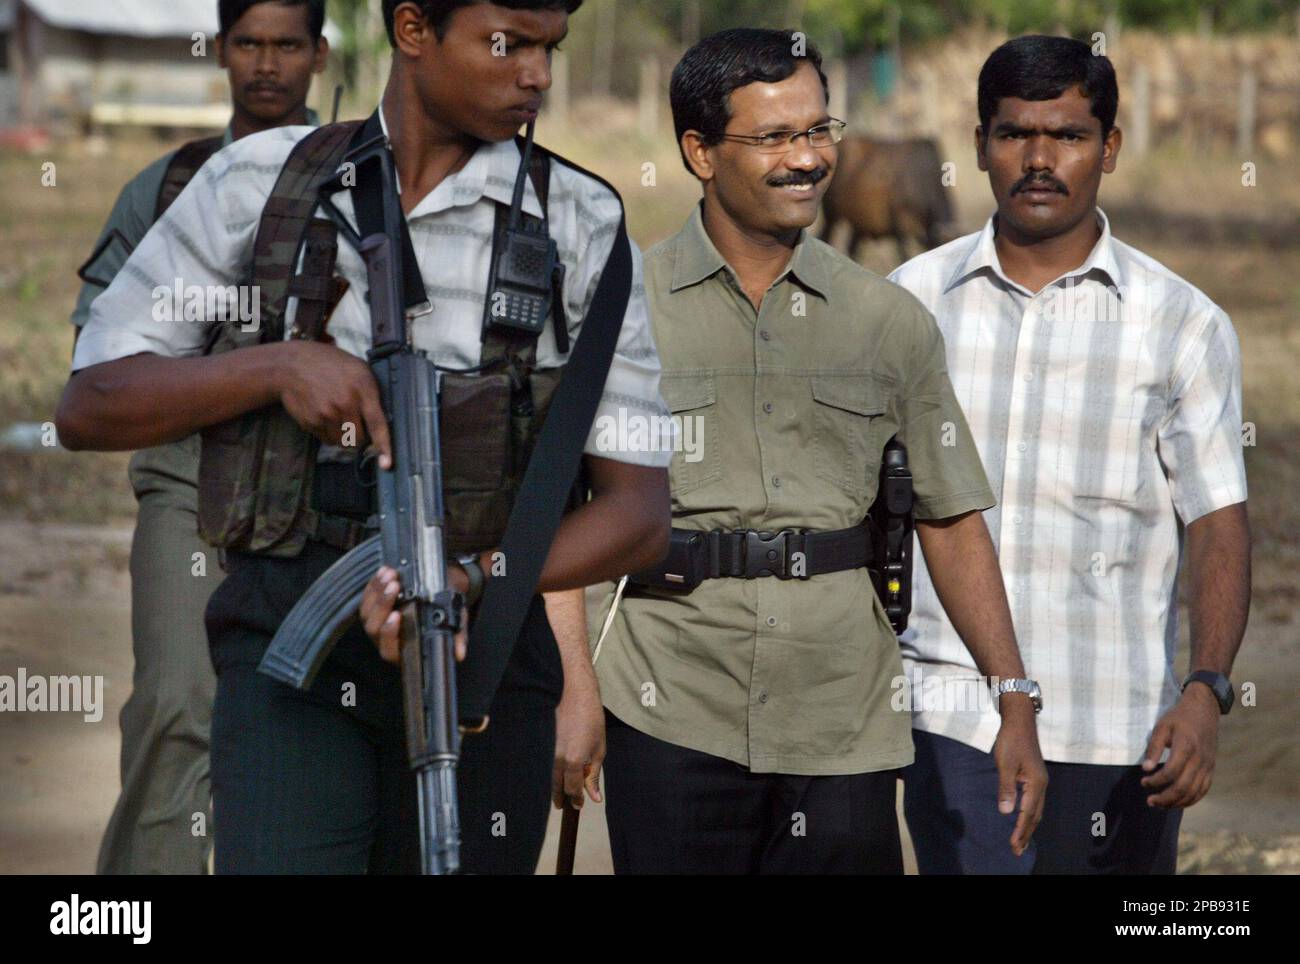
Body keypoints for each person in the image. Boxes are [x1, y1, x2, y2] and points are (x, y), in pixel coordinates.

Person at [57, 0, 671, 874]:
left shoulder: (582, 223)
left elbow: (640, 510)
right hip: (288, 645)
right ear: (413, 29)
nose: (537, 73)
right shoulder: (258, 183)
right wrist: (273, 369)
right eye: (509, 44)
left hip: (483, 649)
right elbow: (91, 401)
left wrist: (470, 579)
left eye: (550, 47)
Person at [590, 28, 1047, 875]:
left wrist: (1012, 696)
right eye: (773, 138)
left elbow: (950, 517)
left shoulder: (888, 322)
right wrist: (574, 693)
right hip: (668, 707)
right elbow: (569, 520)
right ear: (697, 152)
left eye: (817, 131)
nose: (807, 159)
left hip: (843, 722)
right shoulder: (622, 309)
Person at [890, 35, 1251, 875]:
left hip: (1119, 727)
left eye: (1070, 136)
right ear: (980, 144)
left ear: (1110, 148)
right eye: (1015, 134)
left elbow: (1218, 521)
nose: (1040, 159)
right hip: (954, 719)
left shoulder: (1182, 323)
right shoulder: (909, 305)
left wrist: (1207, 689)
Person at [71, 0, 328, 875]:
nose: (266, 64)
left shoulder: (365, 172)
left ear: (319, 54)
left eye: (286, 44)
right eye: (248, 44)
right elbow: (98, 368)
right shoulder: (171, 186)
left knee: (316, 725)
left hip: (327, 490)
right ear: (219, 51)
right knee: (179, 706)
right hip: (192, 481)